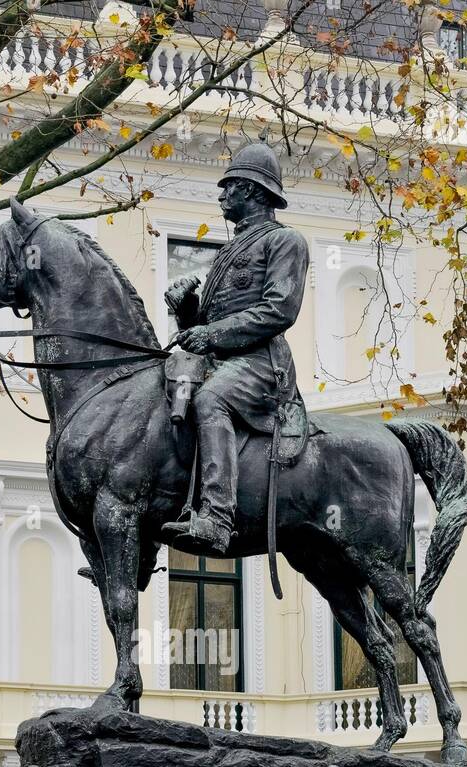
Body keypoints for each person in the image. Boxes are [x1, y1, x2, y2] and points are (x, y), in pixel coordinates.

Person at [162, 140, 309, 556]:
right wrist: (187, 310)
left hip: (263, 365)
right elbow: (206, 328)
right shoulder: (230, 249)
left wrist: (211, 335)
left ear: (252, 190)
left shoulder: (285, 242)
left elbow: (279, 310)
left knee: (210, 400)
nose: (222, 196)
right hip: (224, 360)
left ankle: (217, 518)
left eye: (230, 187)